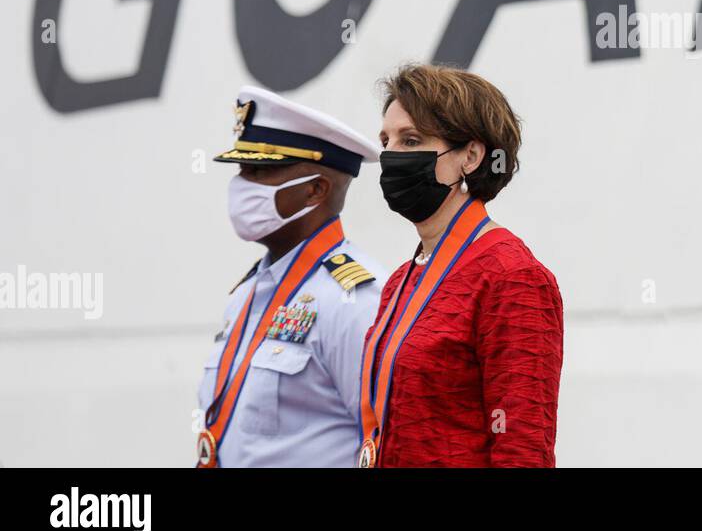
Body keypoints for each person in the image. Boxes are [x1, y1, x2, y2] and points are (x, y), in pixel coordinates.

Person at [359, 63, 563, 467]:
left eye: (411, 140)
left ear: (470, 155)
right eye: (387, 140)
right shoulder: (403, 278)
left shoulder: (511, 276)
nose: (391, 155)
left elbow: (522, 449)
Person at [197, 85, 387, 468]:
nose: (241, 186)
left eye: (260, 172)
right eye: (241, 171)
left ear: (315, 190)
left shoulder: (355, 300)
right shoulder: (249, 293)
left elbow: (384, 444)